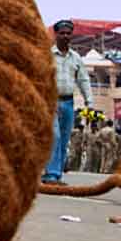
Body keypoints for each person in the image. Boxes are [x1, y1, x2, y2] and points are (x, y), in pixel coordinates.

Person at [42, 20, 93, 185]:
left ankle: (57, 175)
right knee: (54, 136)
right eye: (62, 33)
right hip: (51, 101)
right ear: (56, 35)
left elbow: (83, 80)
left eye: (68, 33)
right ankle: (51, 173)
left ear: (71, 35)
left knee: (64, 138)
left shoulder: (76, 58)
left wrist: (89, 102)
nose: (65, 36)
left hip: (68, 102)